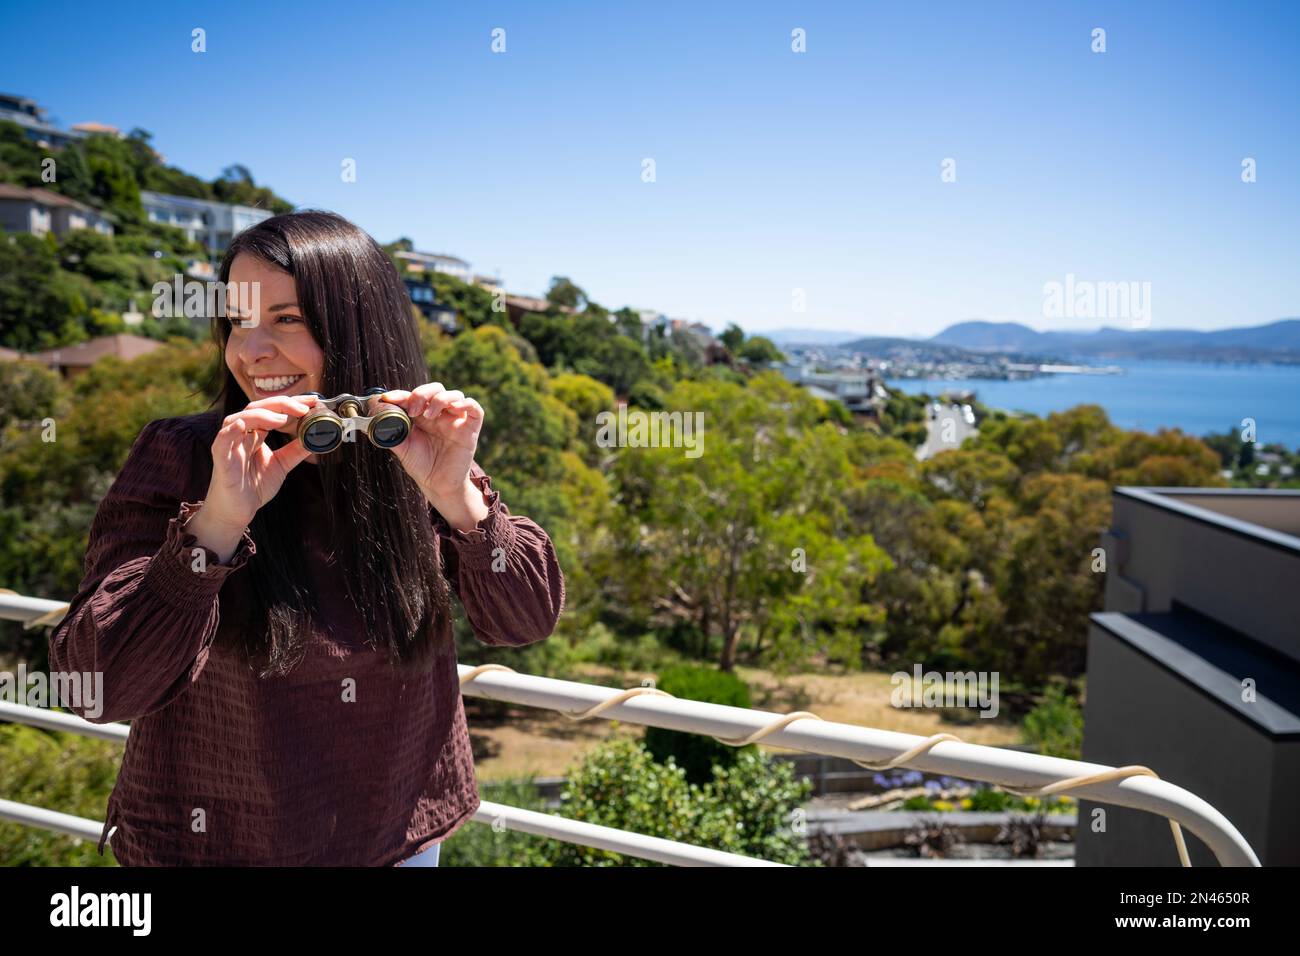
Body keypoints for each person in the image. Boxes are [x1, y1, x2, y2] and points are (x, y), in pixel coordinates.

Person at [47, 210, 566, 866]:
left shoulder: (408, 446)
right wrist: (217, 525)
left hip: (396, 842)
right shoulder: (185, 455)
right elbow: (95, 686)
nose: (250, 350)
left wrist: (458, 499)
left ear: (357, 327)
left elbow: (524, 618)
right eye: (237, 320)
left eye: (286, 320)